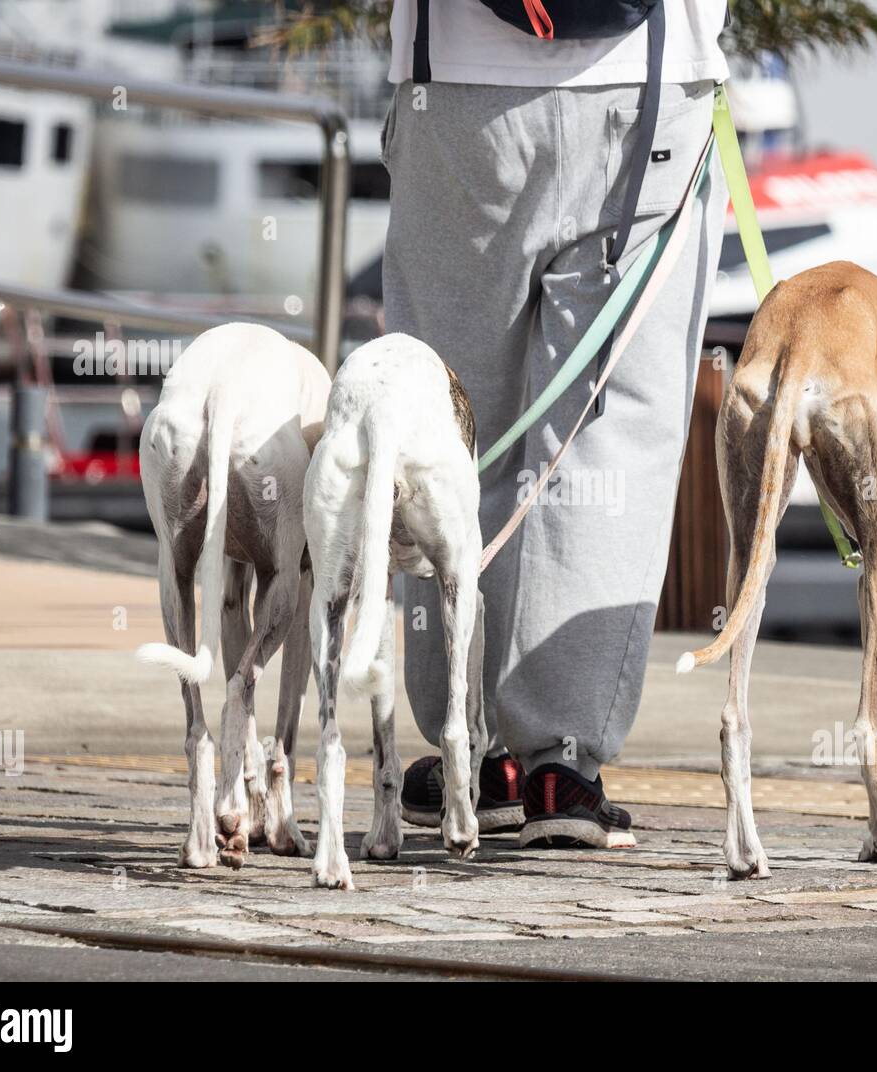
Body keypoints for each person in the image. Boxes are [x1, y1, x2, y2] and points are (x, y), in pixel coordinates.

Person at [383, 0, 730, 848]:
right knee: (606, 437)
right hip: (651, 94)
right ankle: (559, 764)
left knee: (452, 426)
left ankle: (474, 750)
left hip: (458, 95)